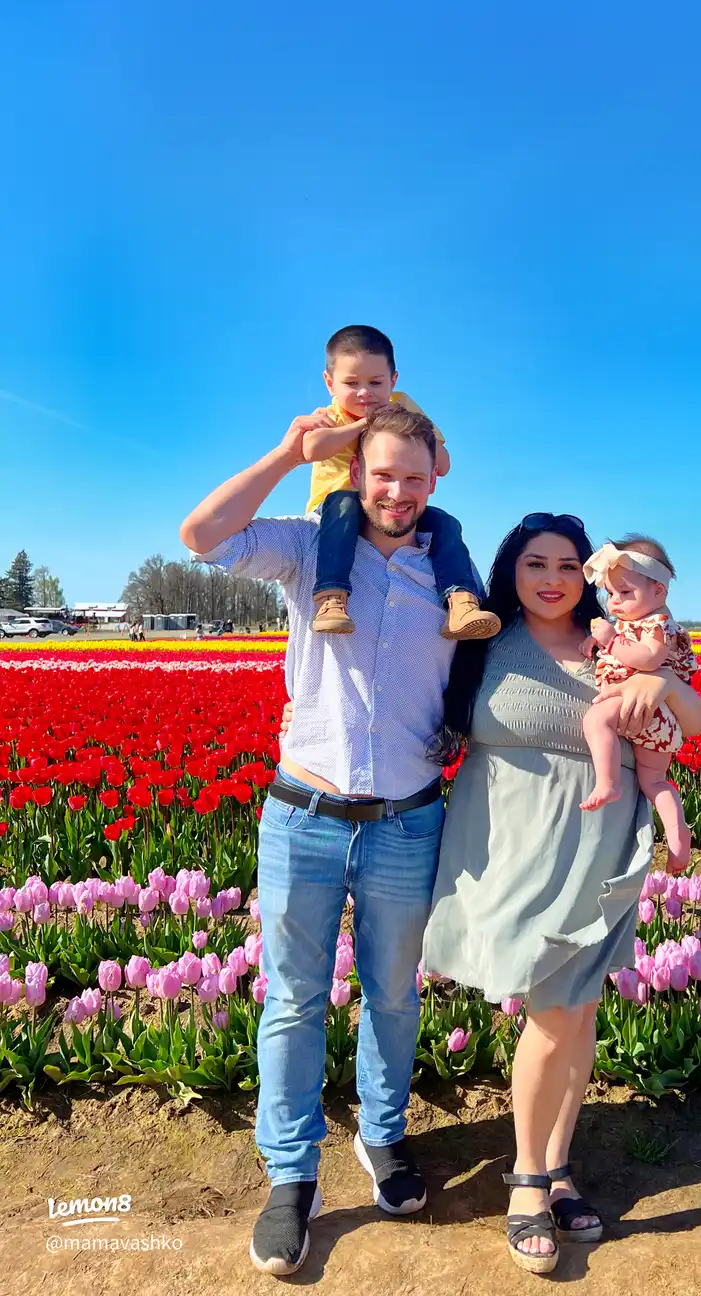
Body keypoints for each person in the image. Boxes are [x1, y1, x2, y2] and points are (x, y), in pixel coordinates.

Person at [179, 404, 461, 1278]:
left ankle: (382, 1138)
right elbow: (201, 535)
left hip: (408, 820)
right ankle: (290, 1175)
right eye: (383, 474)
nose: (399, 492)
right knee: (295, 1001)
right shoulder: (310, 551)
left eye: (415, 478)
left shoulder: (452, 576)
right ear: (356, 470)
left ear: (435, 479)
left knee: (393, 996)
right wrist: (289, 452)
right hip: (303, 815)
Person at [421, 514, 701, 1275]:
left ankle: (551, 1167)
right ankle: (526, 1180)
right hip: (508, 848)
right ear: (510, 570)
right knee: (550, 1015)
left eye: (569, 566)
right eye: (535, 563)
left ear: (592, 574)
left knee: (572, 1013)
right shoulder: (479, 643)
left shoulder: (611, 644)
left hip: (599, 845)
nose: (552, 578)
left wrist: (660, 680)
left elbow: (696, 724)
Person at [301, 324, 499, 642]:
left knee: (445, 523)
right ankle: (331, 598)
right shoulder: (331, 416)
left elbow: (443, 465)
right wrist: (367, 424)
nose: (365, 393)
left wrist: (414, 430)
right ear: (330, 383)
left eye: (376, 382)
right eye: (351, 383)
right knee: (344, 503)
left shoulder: (402, 405)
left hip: (392, 507)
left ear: (393, 380)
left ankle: (461, 603)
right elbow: (311, 450)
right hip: (338, 508)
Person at [578, 537, 695, 873]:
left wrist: (610, 641)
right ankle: (677, 838)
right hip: (656, 722)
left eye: (625, 593)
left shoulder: (657, 625)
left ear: (659, 591)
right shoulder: (635, 622)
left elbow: (649, 659)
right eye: (611, 594)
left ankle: (608, 782)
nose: (615, 602)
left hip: (646, 709)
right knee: (656, 783)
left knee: (596, 721)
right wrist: (595, 642)